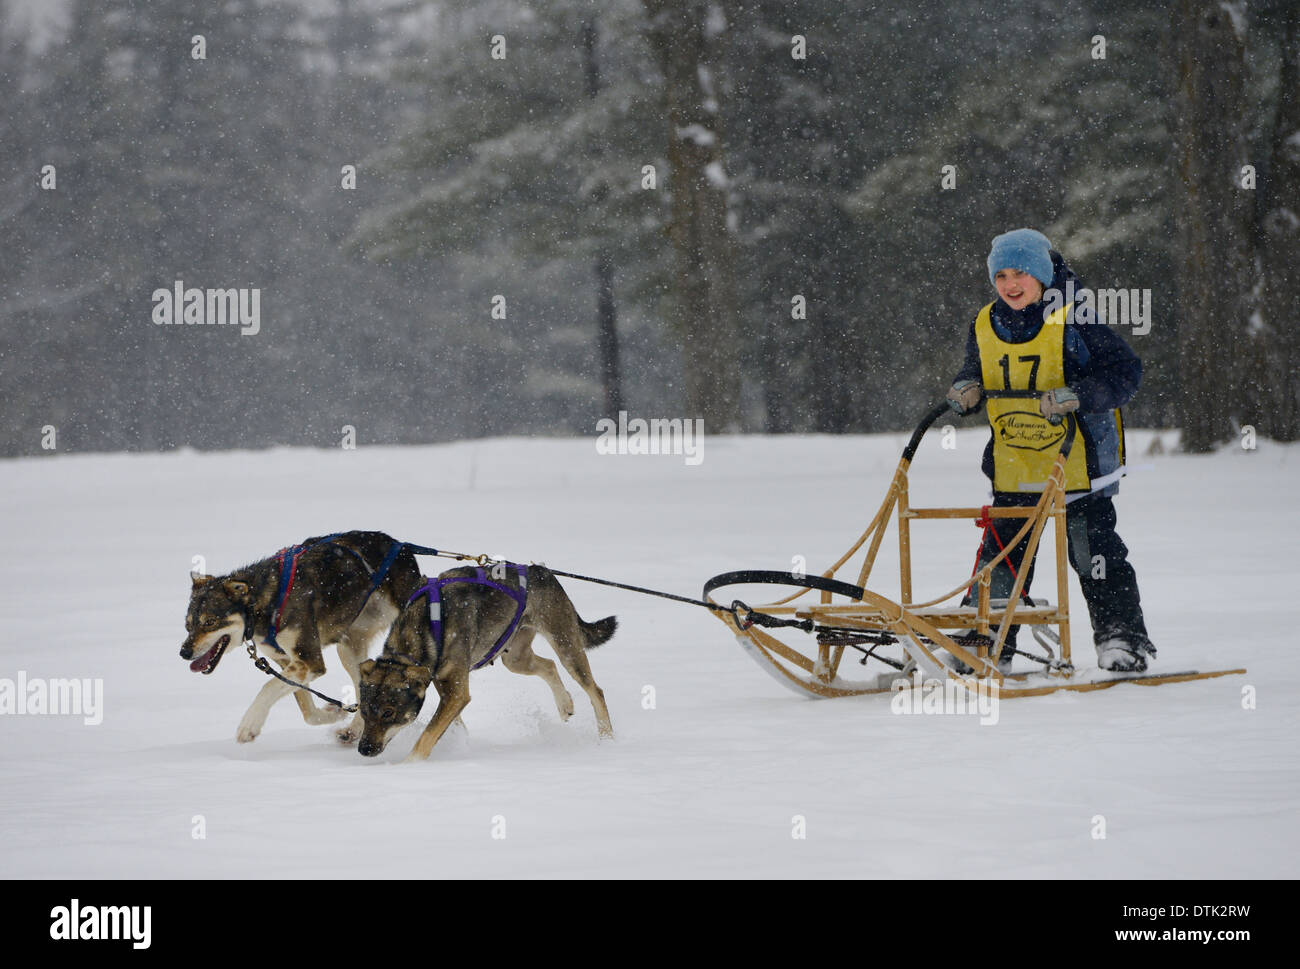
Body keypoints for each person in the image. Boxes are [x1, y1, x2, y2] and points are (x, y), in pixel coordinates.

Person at [945, 228, 1155, 673]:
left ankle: (1122, 639)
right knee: (1001, 560)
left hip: (1077, 466)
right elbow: (975, 368)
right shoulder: (985, 323)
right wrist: (968, 389)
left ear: (1042, 275)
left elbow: (1125, 373)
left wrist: (1078, 393)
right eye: (1000, 275)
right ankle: (985, 641)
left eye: (1020, 272)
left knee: (1092, 554)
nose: (1010, 283)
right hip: (1015, 466)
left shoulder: (1077, 319)